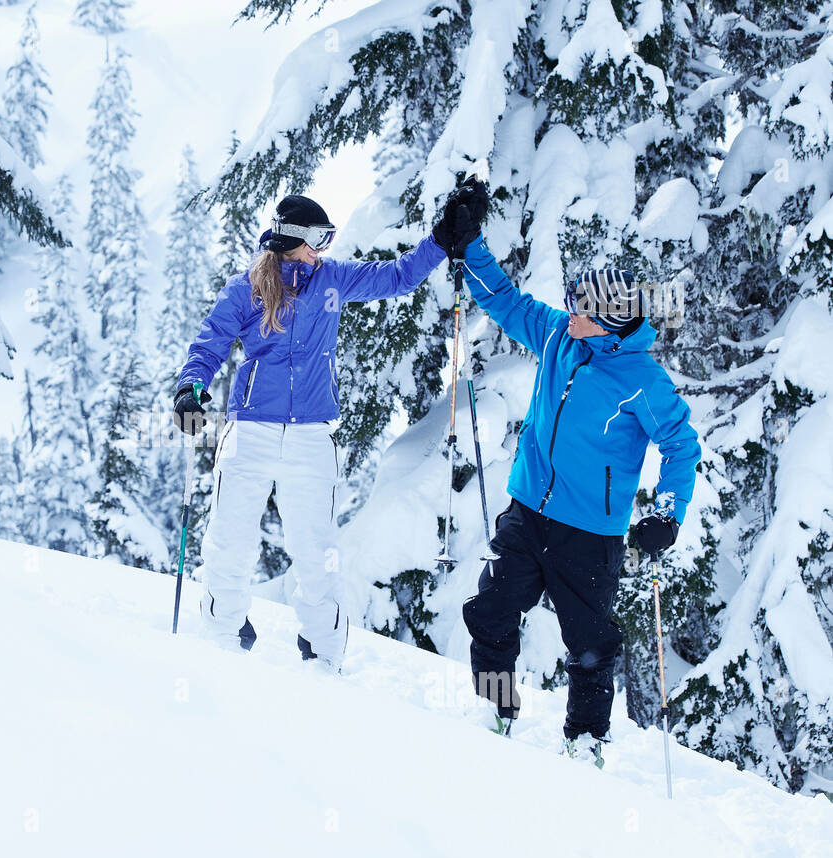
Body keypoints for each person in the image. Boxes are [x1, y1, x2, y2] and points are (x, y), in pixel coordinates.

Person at [172, 189, 484, 670]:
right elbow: (208, 344)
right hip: (251, 429)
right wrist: (190, 389)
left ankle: (322, 650)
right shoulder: (246, 289)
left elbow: (398, 277)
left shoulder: (332, 279)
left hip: (311, 436)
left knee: (315, 550)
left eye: (329, 237)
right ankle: (223, 634)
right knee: (229, 539)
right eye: (318, 237)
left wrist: (440, 241)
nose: (324, 247)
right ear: (291, 239)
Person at [457, 197, 701, 761]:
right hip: (527, 512)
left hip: (590, 531)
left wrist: (667, 513)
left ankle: (586, 738)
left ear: (611, 320)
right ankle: (496, 708)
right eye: (569, 303)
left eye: (581, 309)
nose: (568, 313)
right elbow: (503, 299)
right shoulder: (558, 337)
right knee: (492, 610)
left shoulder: (643, 379)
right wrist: (469, 244)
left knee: (590, 643)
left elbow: (681, 449)